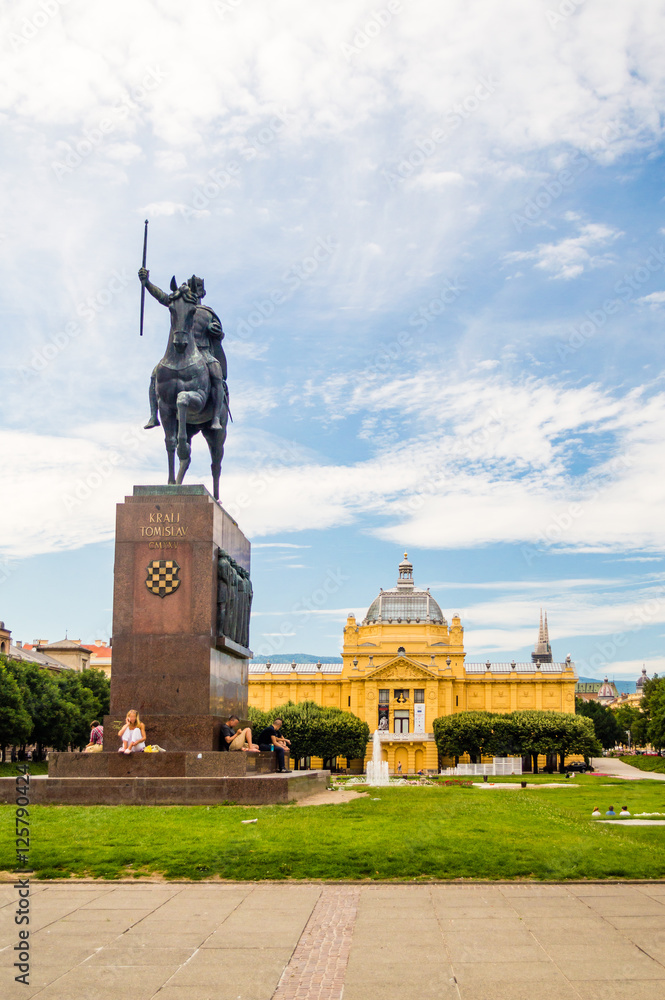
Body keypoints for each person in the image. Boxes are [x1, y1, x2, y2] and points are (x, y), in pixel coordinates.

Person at [138, 270, 228, 431]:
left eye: (199, 287)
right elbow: (162, 297)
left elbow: (218, 335)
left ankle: (215, 418)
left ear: (203, 292)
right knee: (154, 374)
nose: (196, 289)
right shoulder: (181, 304)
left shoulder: (208, 312)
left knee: (216, 373)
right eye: (195, 286)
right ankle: (153, 415)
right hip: (180, 353)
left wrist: (217, 332)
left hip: (204, 352)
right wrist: (147, 283)